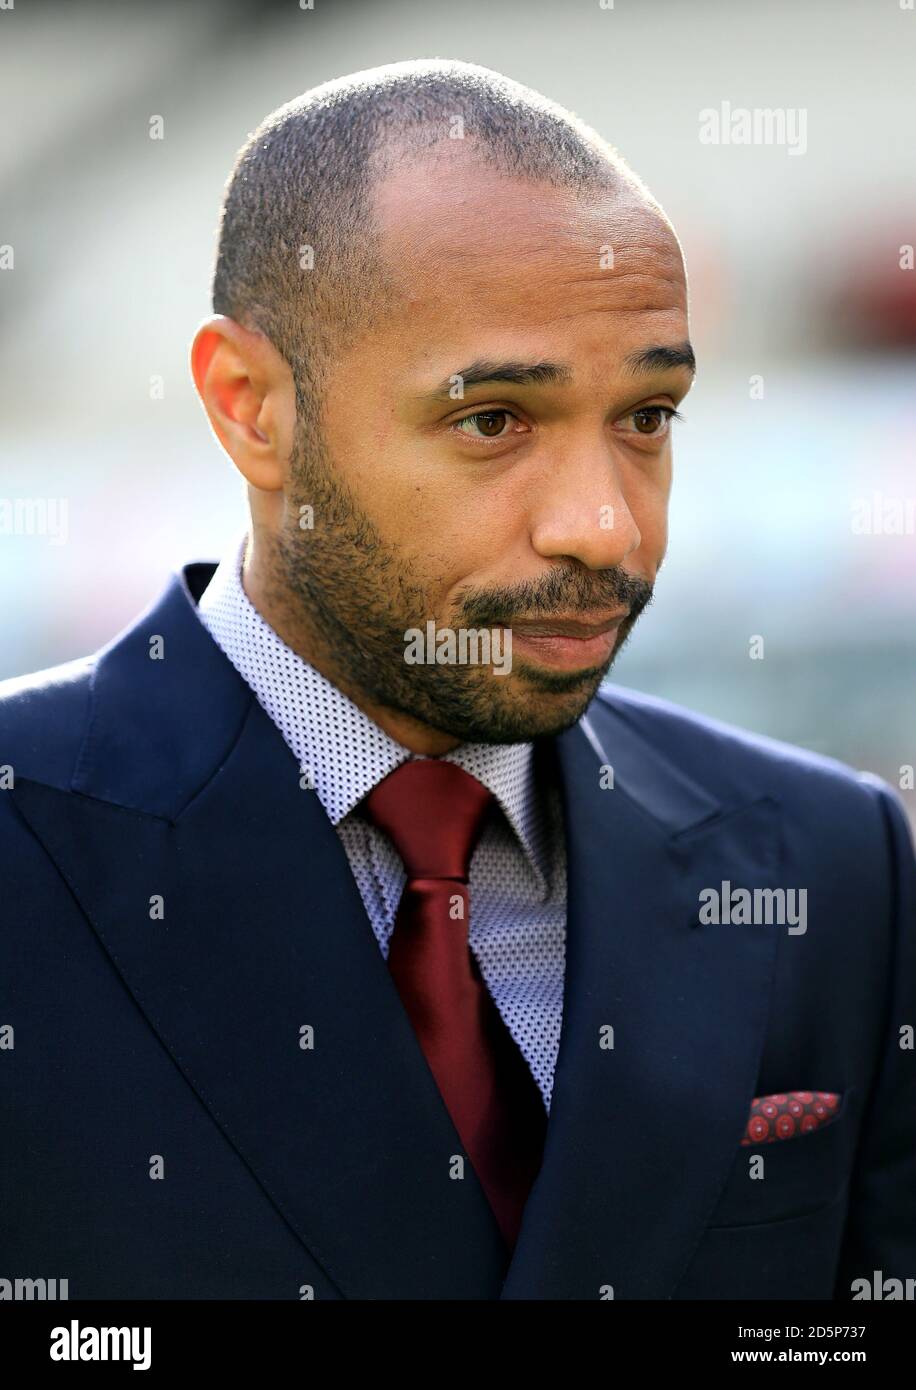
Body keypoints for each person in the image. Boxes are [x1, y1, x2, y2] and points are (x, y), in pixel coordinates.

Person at [1, 59, 913, 1301]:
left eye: (647, 416)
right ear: (250, 406)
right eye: (492, 420)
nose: (603, 525)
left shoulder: (828, 865)